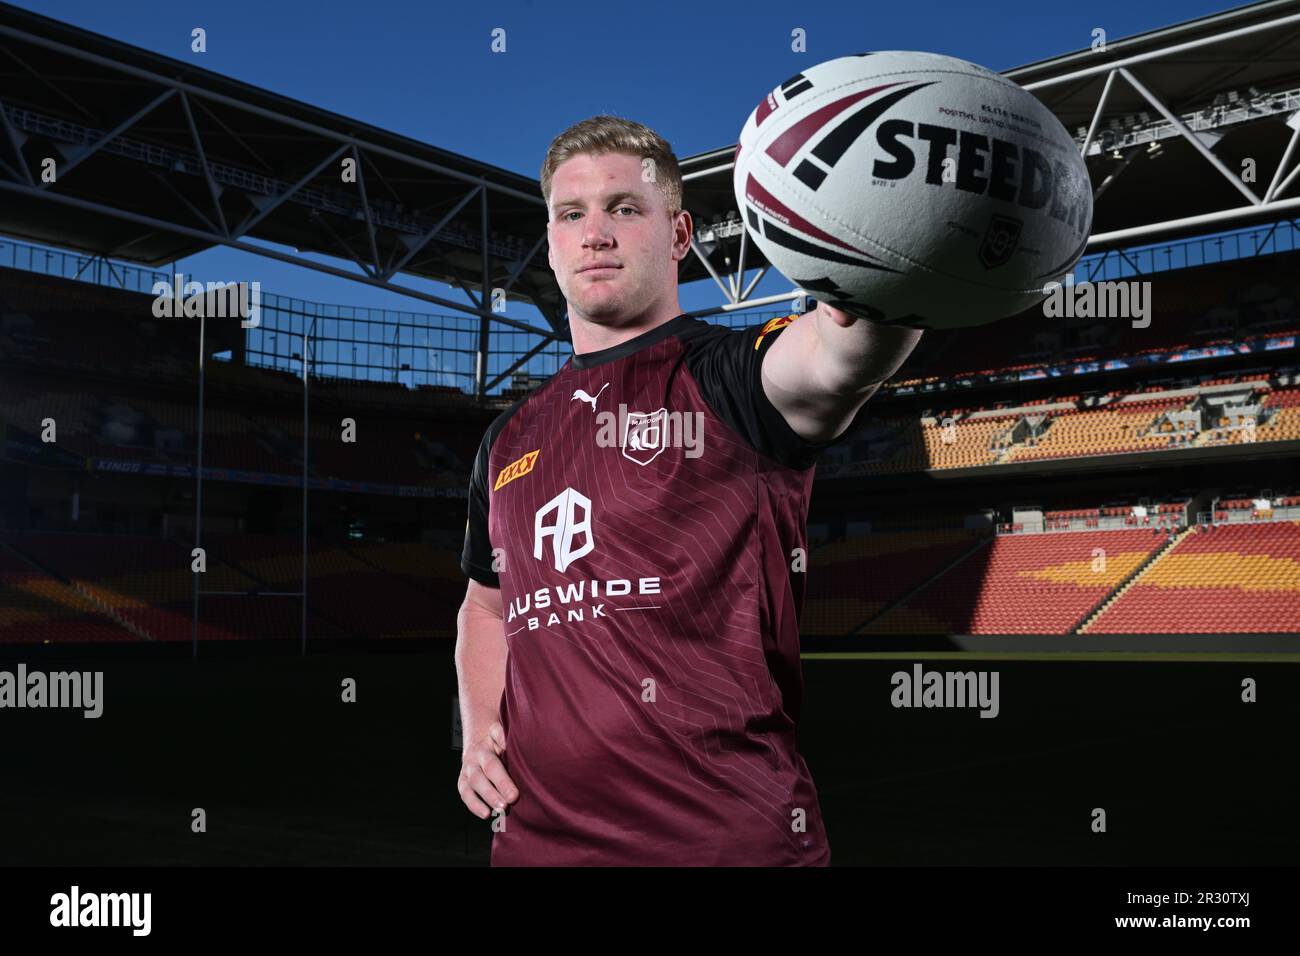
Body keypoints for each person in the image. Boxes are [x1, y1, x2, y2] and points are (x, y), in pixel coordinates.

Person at [456, 115, 922, 866]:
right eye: (571, 215)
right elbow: (486, 600)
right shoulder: (508, 438)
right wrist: (479, 725)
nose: (595, 233)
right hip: (533, 848)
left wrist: (906, 248)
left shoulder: (728, 375)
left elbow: (839, 356)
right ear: (549, 241)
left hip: (723, 844)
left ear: (679, 235)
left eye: (624, 209)